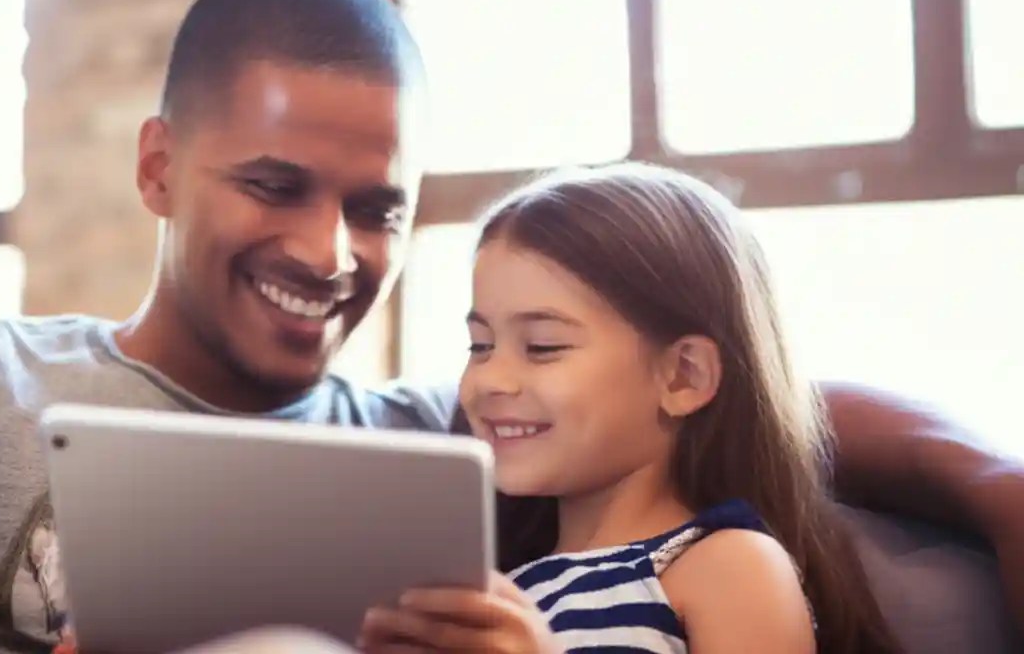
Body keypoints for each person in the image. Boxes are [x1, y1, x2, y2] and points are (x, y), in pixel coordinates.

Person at [0, 0, 1018, 654]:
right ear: (156, 169)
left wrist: (985, 477)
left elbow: (727, 386)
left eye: (378, 207)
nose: (330, 249)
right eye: (273, 186)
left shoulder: (454, 443)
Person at [357, 164, 901, 653]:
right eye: (480, 345)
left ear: (683, 376)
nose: (490, 380)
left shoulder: (727, 566)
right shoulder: (502, 587)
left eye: (543, 346)